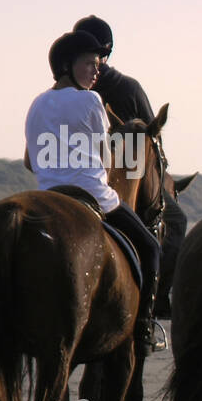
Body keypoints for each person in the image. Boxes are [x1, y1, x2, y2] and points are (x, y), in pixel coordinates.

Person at [24, 30, 163, 353]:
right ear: (66, 65)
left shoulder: (37, 103)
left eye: (98, 63)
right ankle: (143, 329)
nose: (96, 70)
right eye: (89, 63)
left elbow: (30, 161)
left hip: (48, 197)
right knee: (151, 247)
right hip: (94, 196)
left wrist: (55, 169)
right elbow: (103, 158)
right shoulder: (91, 100)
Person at [73, 15, 185, 319]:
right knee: (176, 220)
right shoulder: (127, 88)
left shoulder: (62, 92)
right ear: (108, 51)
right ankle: (156, 302)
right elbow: (153, 142)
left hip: (64, 178)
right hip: (124, 179)